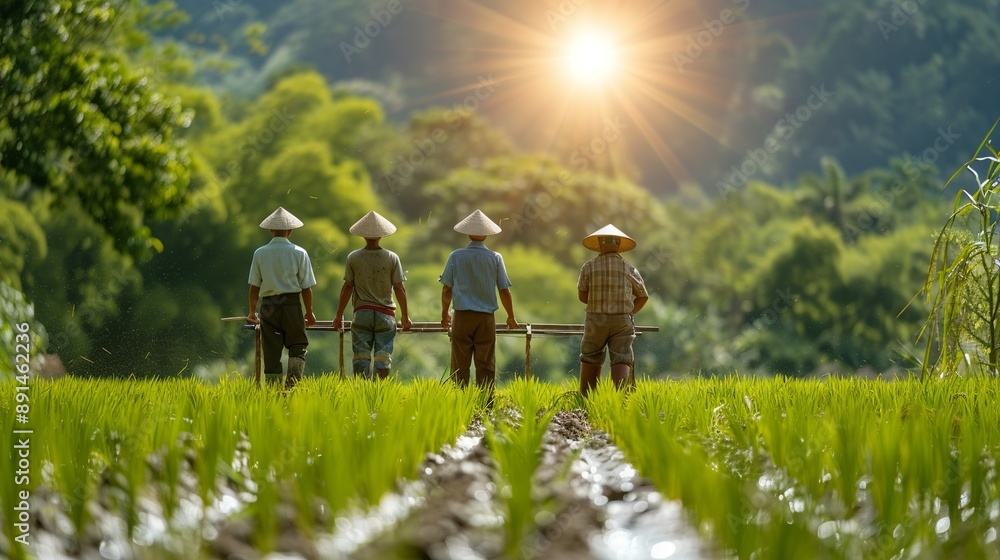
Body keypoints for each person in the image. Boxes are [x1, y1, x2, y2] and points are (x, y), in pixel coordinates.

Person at [440, 209, 519, 397]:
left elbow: (446, 289)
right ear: (487, 234)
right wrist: (511, 317)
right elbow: (504, 290)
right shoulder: (495, 258)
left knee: (460, 362)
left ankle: (460, 400)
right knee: (485, 363)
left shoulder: (456, 256)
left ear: (468, 233)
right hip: (485, 318)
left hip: (461, 316)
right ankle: (486, 401)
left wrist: (444, 315)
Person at [333, 210, 412, 379]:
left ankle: (362, 391)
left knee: (361, 357)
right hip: (386, 315)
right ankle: (378, 391)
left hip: (362, 313)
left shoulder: (353, 257)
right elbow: (399, 288)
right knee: (383, 357)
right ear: (381, 235)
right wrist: (405, 317)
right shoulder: (391, 257)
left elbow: (347, 287)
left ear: (363, 235)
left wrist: (338, 315)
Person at [246, 207, 318, 389]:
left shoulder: (259, 253)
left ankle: (273, 392)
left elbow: (254, 287)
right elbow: (306, 288)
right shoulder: (299, 253)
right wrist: (309, 312)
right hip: (291, 305)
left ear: (271, 230)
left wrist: (252, 312)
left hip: (269, 306)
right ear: (290, 231)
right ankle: (291, 387)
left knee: (271, 350)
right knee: (298, 345)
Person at [577, 224, 649, 396]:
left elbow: (582, 296)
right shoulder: (629, 268)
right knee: (622, 356)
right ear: (618, 244)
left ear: (600, 244)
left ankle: (587, 398)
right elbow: (643, 296)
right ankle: (623, 398)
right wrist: (629, 313)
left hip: (596, 319)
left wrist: (597, 302)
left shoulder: (588, 267)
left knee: (590, 356)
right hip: (621, 321)